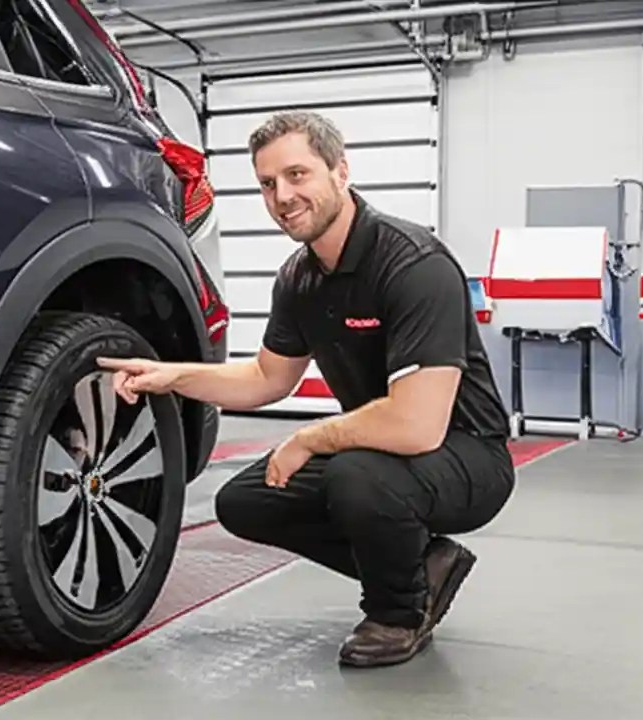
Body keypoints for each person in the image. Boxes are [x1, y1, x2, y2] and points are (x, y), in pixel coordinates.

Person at [97, 111, 514, 668]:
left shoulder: (414, 264)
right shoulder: (300, 278)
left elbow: (417, 425)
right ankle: (423, 568)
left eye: (297, 175)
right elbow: (266, 378)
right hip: (383, 451)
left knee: (356, 475)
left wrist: (311, 438)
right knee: (247, 501)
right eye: (268, 184)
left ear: (340, 171)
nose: (282, 197)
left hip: (467, 454)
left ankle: (397, 615)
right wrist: (171, 376)